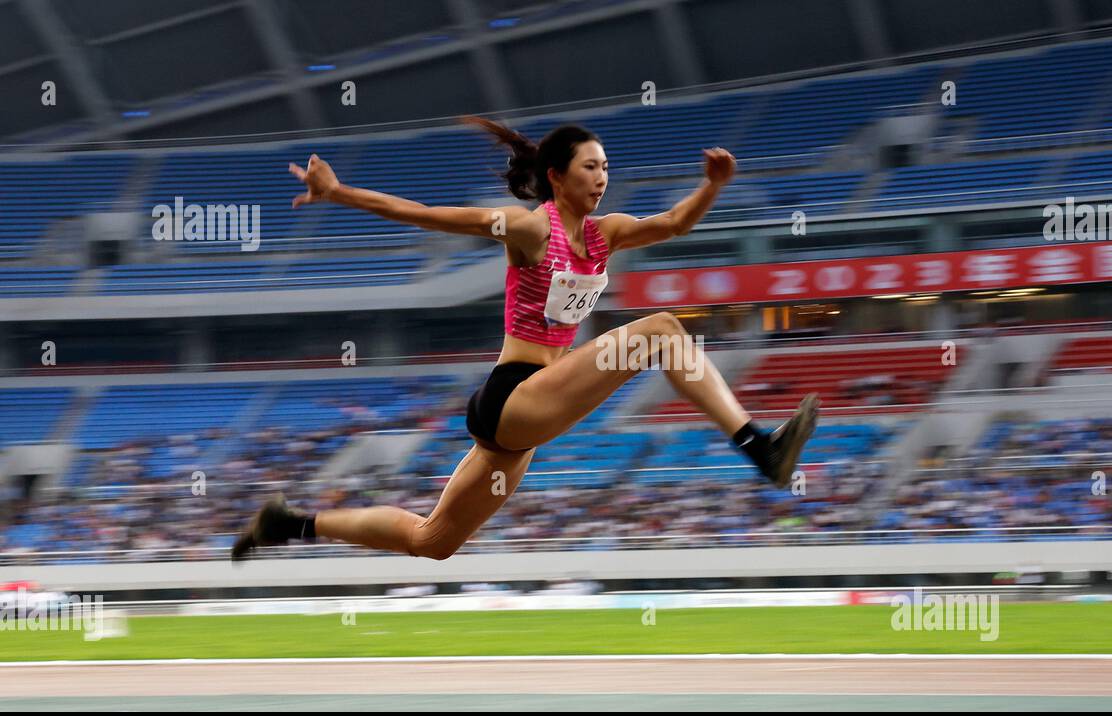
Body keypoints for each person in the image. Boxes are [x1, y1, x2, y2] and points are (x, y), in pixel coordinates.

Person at [232, 116, 818, 562]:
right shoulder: (529, 228)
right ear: (557, 176)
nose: (603, 177)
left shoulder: (606, 233)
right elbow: (432, 215)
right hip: (514, 394)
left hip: (521, 423)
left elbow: (673, 224)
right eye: (591, 167)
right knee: (661, 331)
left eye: (607, 167)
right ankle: (757, 448)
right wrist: (339, 194)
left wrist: (711, 186)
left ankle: (290, 524)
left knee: (434, 540)